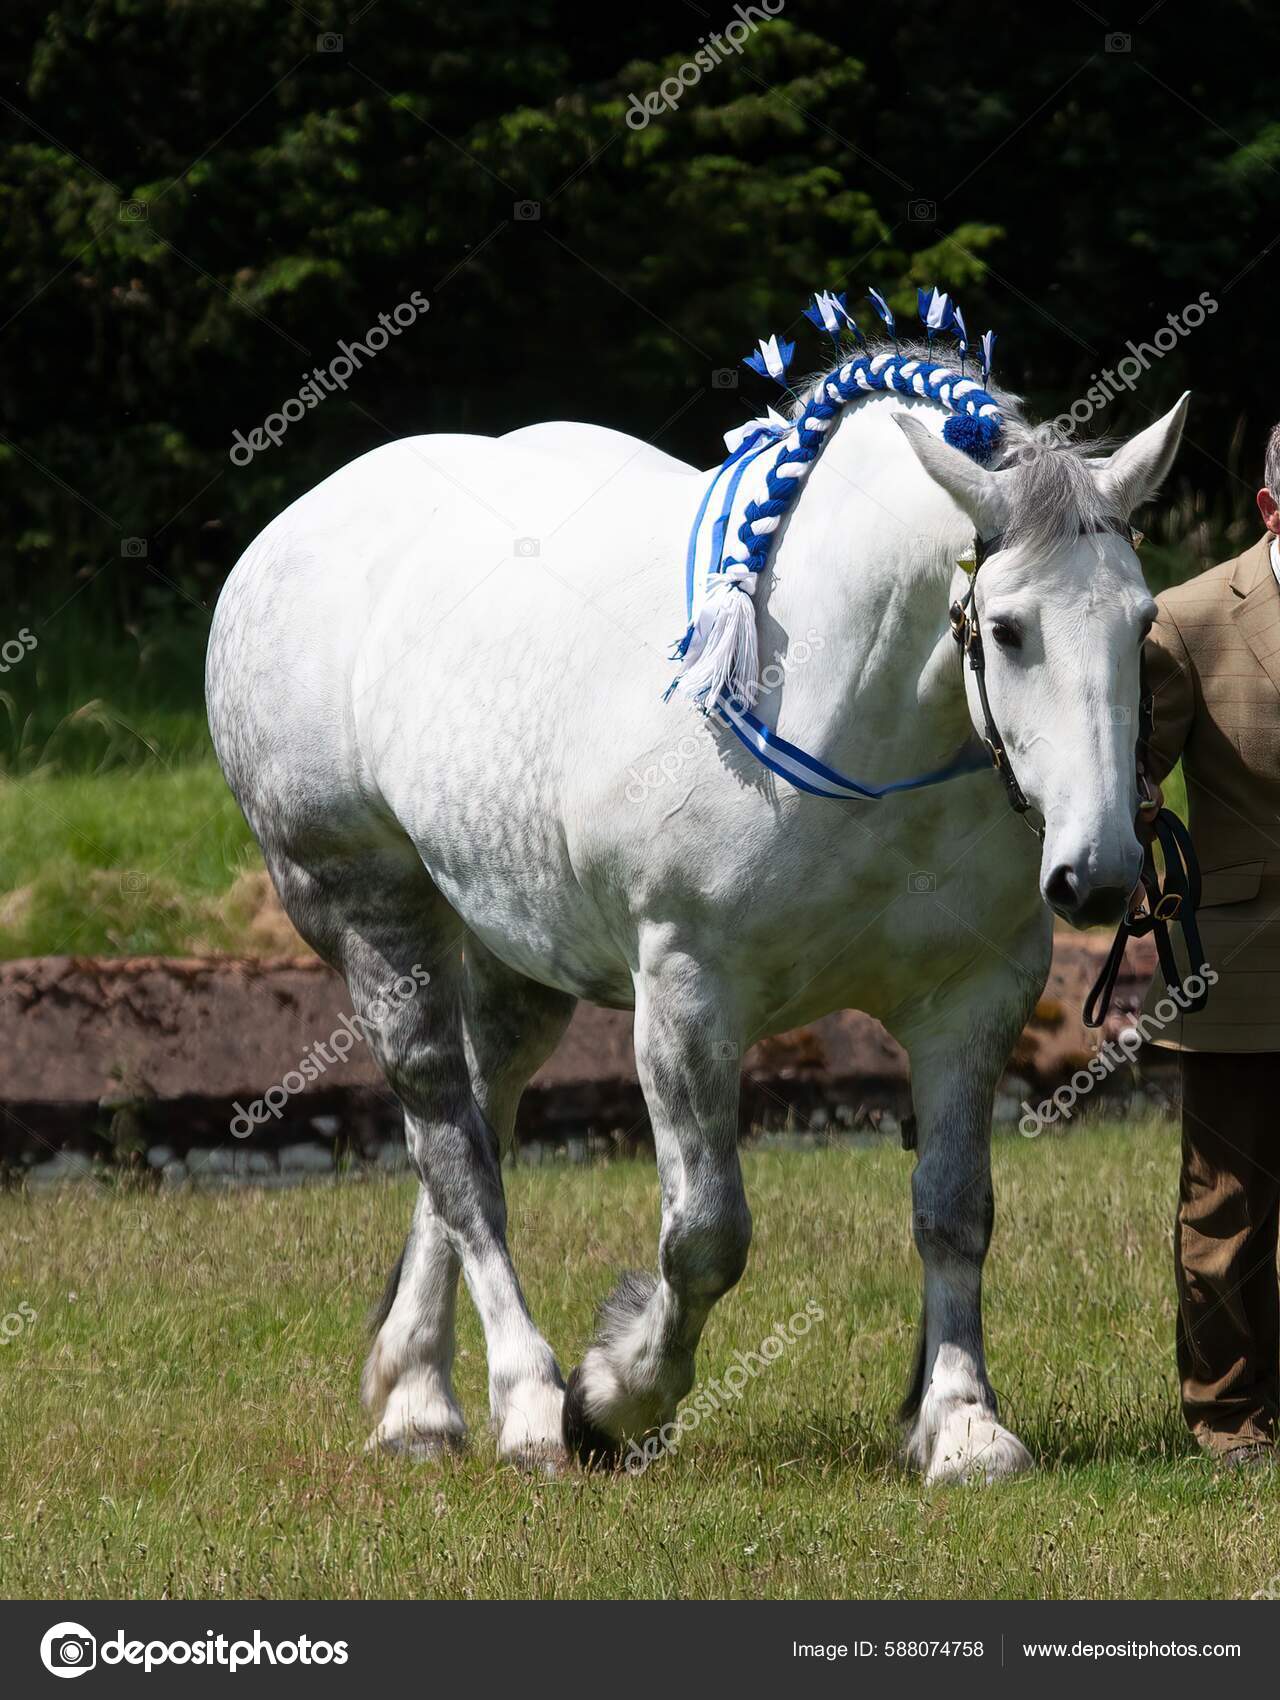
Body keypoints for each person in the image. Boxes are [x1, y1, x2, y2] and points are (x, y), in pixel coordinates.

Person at [1141, 425, 1280, 1467]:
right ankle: (1228, 1419)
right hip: (1237, 957)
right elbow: (1127, 784)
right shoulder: (1183, 621)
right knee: (1225, 1206)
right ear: (1269, 509)